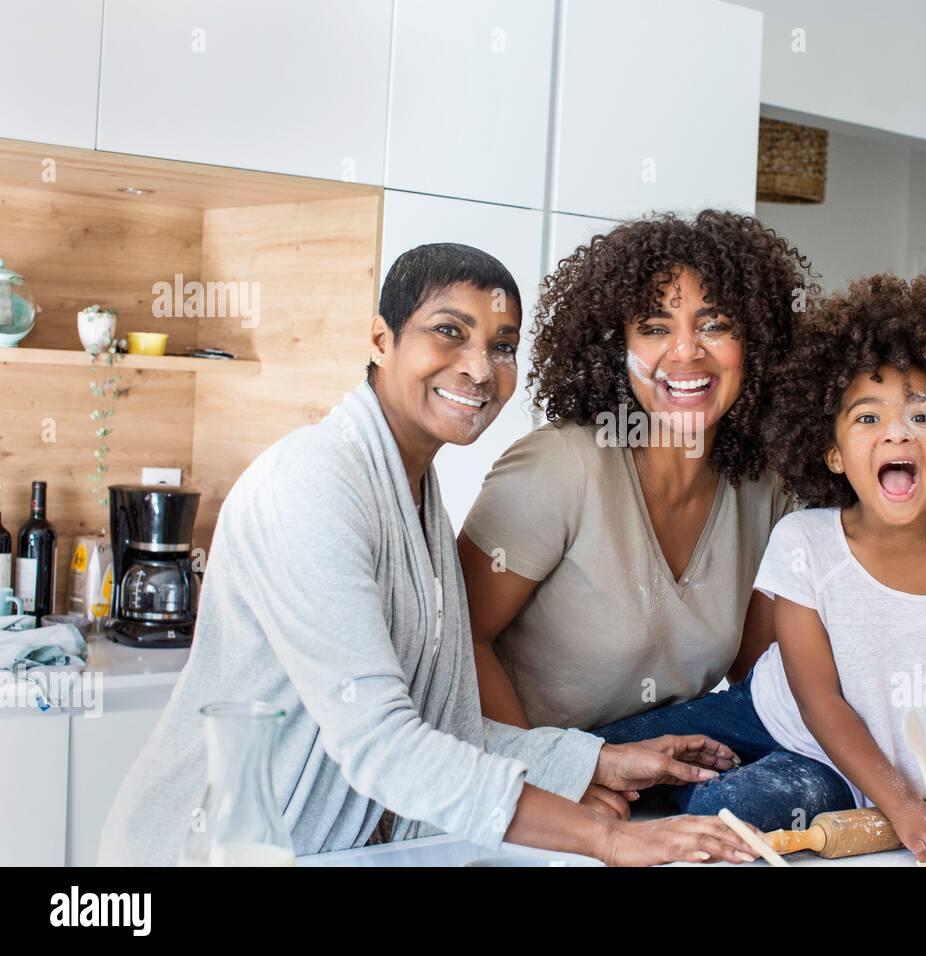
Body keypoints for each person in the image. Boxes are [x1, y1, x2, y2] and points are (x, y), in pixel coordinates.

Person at [98, 243, 758, 867]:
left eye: (501, 345)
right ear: (382, 340)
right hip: (204, 847)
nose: (478, 367)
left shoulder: (416, 498)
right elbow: (383, 745)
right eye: (449, 331)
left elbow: (445, 730)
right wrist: (607, 839)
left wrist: (597, 763)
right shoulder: (312, 484)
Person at [593, 274, 926, 862]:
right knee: (597, 751)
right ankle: (643, 783)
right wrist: (910, 813)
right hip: (765, 711)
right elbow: (819, 700)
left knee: (720, 812)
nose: (895, 430)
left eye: (922, 416)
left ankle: (668, 788)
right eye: (867, 418)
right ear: (833, 453)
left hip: (841, 771)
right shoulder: (805, 540)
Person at [458, 211, 817, 821]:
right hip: (520, 781)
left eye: (716, 325)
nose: (685, 352)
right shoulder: (562, 466)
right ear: (614, 348)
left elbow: (756, 679)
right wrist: (552, 779)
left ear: (756, 344)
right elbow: (461, 642)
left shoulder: (766, 489)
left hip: (657, 772)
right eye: (655, 327)